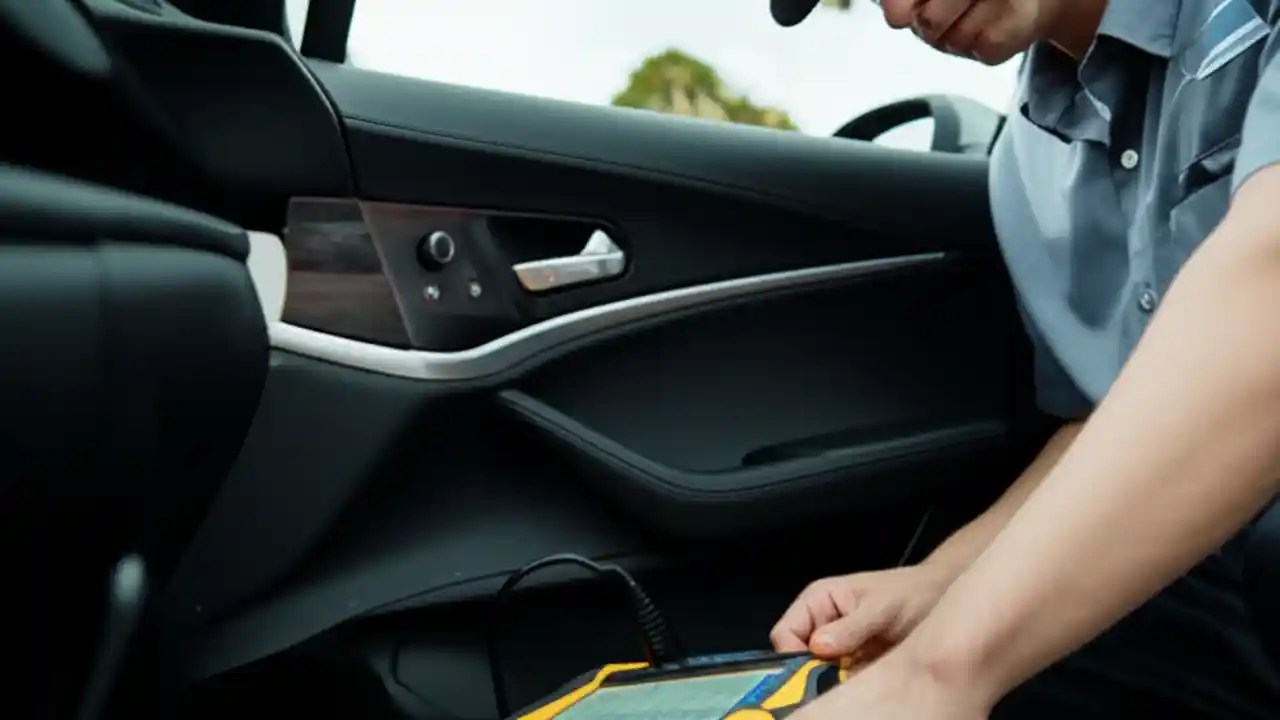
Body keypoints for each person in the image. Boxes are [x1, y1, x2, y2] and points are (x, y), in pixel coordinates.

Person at [771, 1, 1280, 717]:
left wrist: (941, 672)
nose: (894, 12)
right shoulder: (1028, 163)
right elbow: (1112, 413)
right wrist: (941, 583)